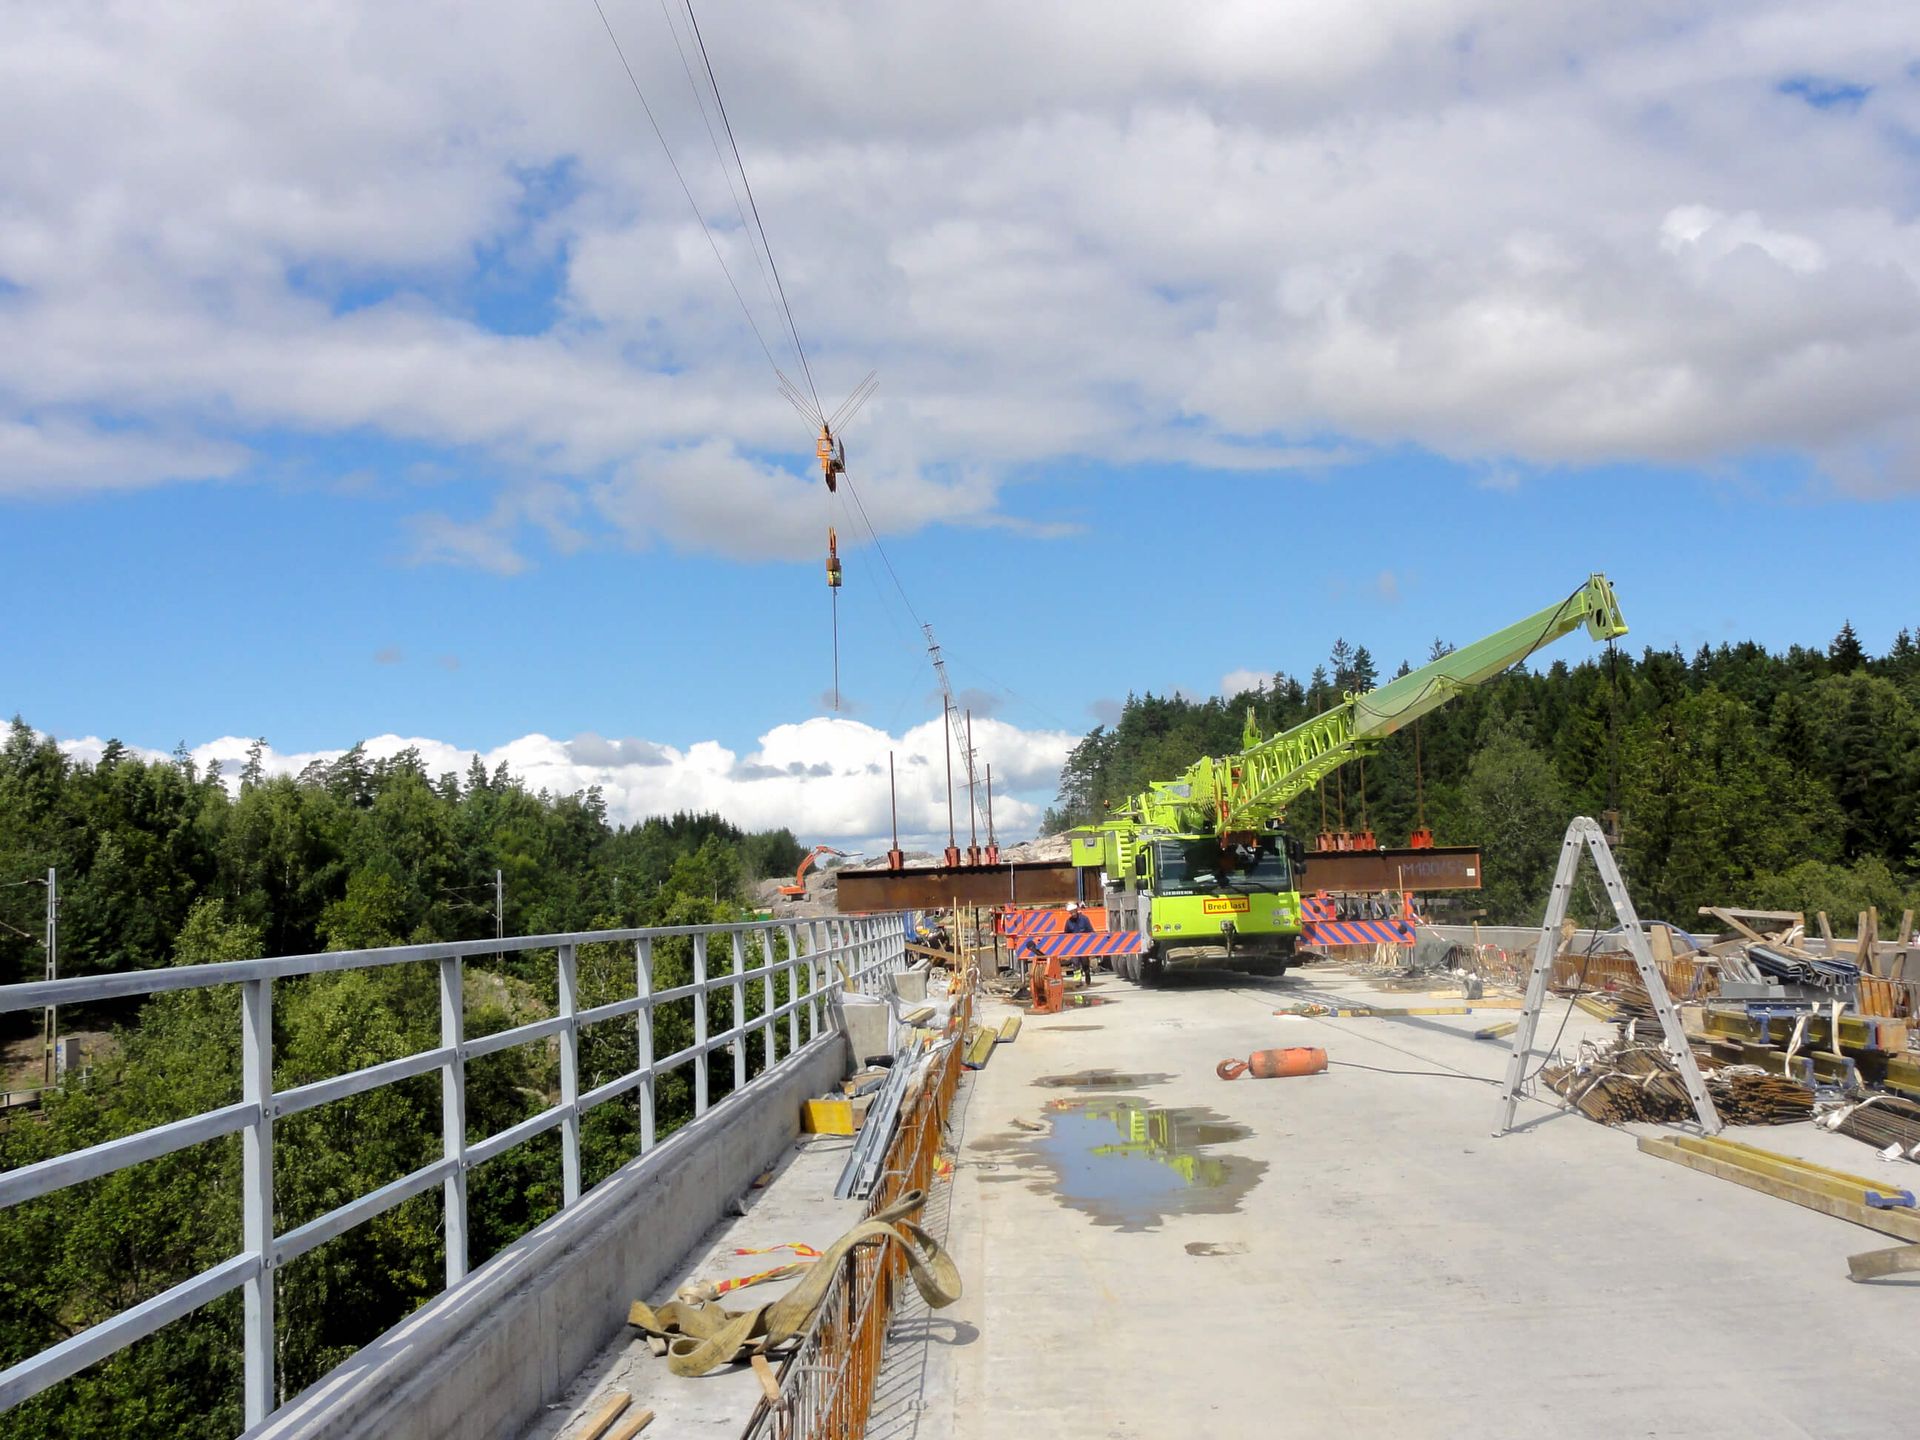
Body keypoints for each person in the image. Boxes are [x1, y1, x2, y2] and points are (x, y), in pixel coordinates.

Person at [1063, 902, 1094, 984]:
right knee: (1075, 963)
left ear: (1076, 910)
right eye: (1071, 912)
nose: (1073, 914)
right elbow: (1066, 934)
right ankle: (1078, 981)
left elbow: (1091, 931)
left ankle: (1087, 974)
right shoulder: (1068, 922)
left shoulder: (1084, 919)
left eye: (1074, 911)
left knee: (1085, 963)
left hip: (1084, 946)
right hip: (1074, 947)